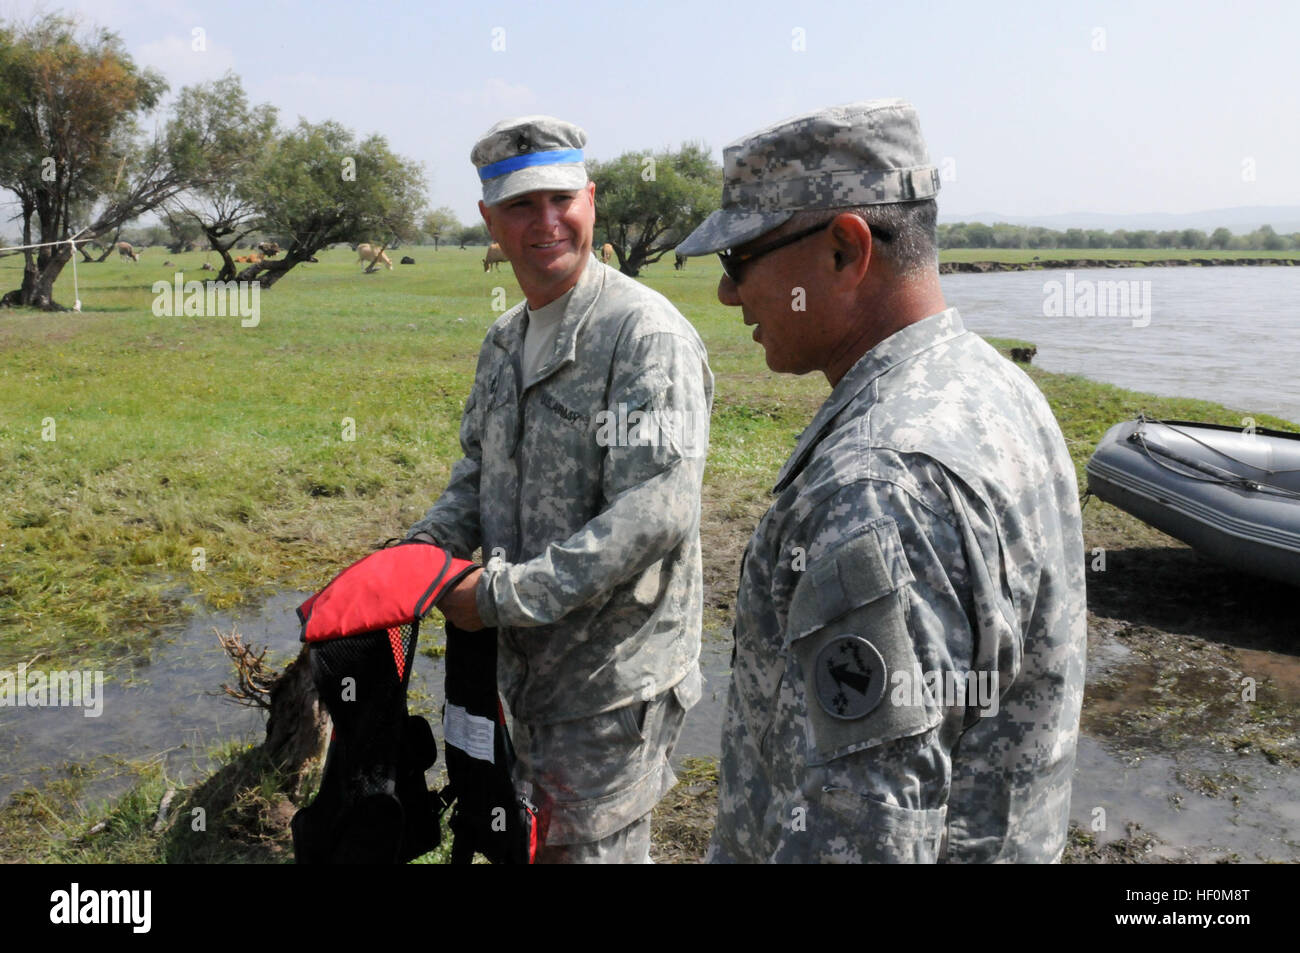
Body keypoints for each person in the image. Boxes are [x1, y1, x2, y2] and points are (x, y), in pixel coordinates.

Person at [675, 100, 1086, 863]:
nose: (729, 295)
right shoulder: (993, 386)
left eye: (739, 261)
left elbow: (859, 836)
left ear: (843, 250)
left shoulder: (878, 485)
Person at [412, 115, 714, 863]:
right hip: (523, 670)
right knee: (526, 842)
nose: (546, 222)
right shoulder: (505, 340)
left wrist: (496, 598)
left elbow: (654, 514)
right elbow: (475, 476)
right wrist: (418, 554)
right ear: (489, 220)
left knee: (589, 854)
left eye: (561, 199)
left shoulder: (644, 336)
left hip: (612, 681)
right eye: (521, 205)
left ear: (592, 200)